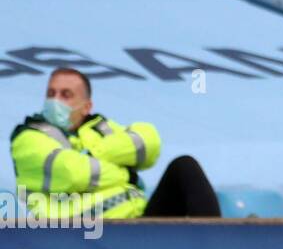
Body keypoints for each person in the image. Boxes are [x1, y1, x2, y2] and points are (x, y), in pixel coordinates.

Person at [9, 67, 220, 218]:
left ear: (86, 106)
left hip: (137, 224)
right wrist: (125, 171)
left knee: (184, 166)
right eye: (51, 93)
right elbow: (73, 173)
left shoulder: (100, 127)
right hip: (83, 234)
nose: (55, 101)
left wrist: (93, 154)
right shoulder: (28, 137)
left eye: (66, 95)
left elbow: (148, 143)